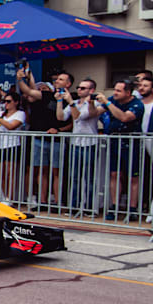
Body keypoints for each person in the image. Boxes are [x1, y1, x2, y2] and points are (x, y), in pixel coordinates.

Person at [19, 68, 72, 210]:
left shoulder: (70, 99)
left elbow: (73, 121)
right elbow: (29, 91)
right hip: (40, 138)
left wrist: (59, 130)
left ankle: (57, 203)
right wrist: (20, 78)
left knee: (57, 172)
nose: (57, 81)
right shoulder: (47, 95)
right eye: (56, 79)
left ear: (68, 83)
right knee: (42, 170)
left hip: (58, 140)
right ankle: (42, 202)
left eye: (61, 79)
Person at [98, 79, 144, 220]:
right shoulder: (112, 100)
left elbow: (124, 117)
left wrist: (107, 103)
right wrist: (90, 104)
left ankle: (132, 209)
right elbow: (96, 112)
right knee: (114, 175)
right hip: (114, 141)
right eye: (114, 90)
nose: (115, 93)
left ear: (128, 93)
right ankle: (113, 207)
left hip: (131, 143)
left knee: (132, 177)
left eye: (118, 90)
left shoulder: (137, 104)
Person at [58, 78, 101, 213]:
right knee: (74, 176)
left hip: (90, 143)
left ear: (91, 90)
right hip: (76, 143)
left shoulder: (94, 104)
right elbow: (61, 117)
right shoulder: (74, 103)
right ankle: (74, 207)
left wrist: (70, 102)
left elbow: (79, 117)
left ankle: (88, 208)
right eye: (78, 87)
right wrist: (59, 101)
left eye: (83, 88)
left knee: (88, 177)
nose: (79, 90)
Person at [0, 91, 25, 202]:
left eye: (9, 101)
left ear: (16, 102)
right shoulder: (1, 113)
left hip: (11, 145)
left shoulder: (20, 114)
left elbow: (11, 126)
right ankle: (4, 197)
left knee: (10, 173)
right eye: (4, 101)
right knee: (1, 174)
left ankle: (10, 198)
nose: (6, 104)